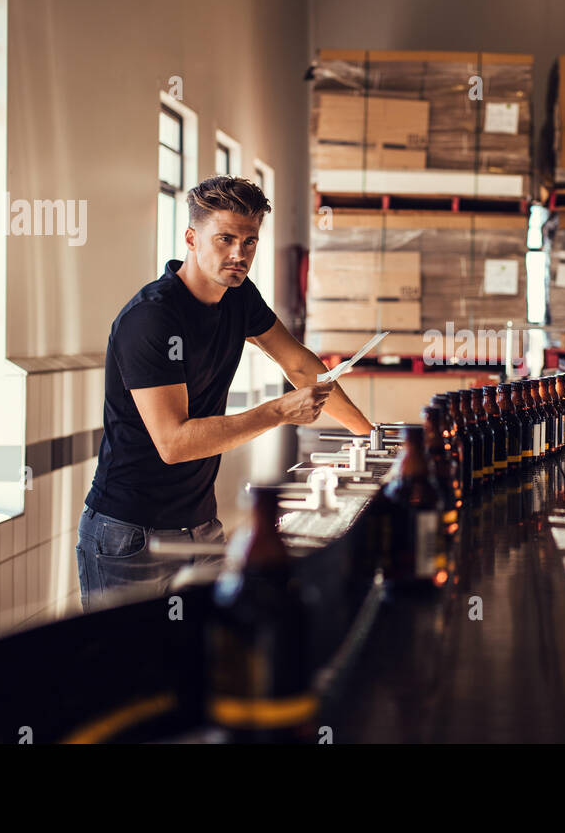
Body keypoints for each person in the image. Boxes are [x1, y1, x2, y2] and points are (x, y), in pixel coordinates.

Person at [76, 176, 373, 610]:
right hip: (128, 534)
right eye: (226, 239)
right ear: (191, 239)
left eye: (249, 242)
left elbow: (300, 365)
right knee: (126, 672)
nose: (239, 254)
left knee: (204, 664)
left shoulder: (239, 297)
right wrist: (277, 412)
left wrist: (371, 436)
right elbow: (174, 444)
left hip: (200, 524)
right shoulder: (152, 319)